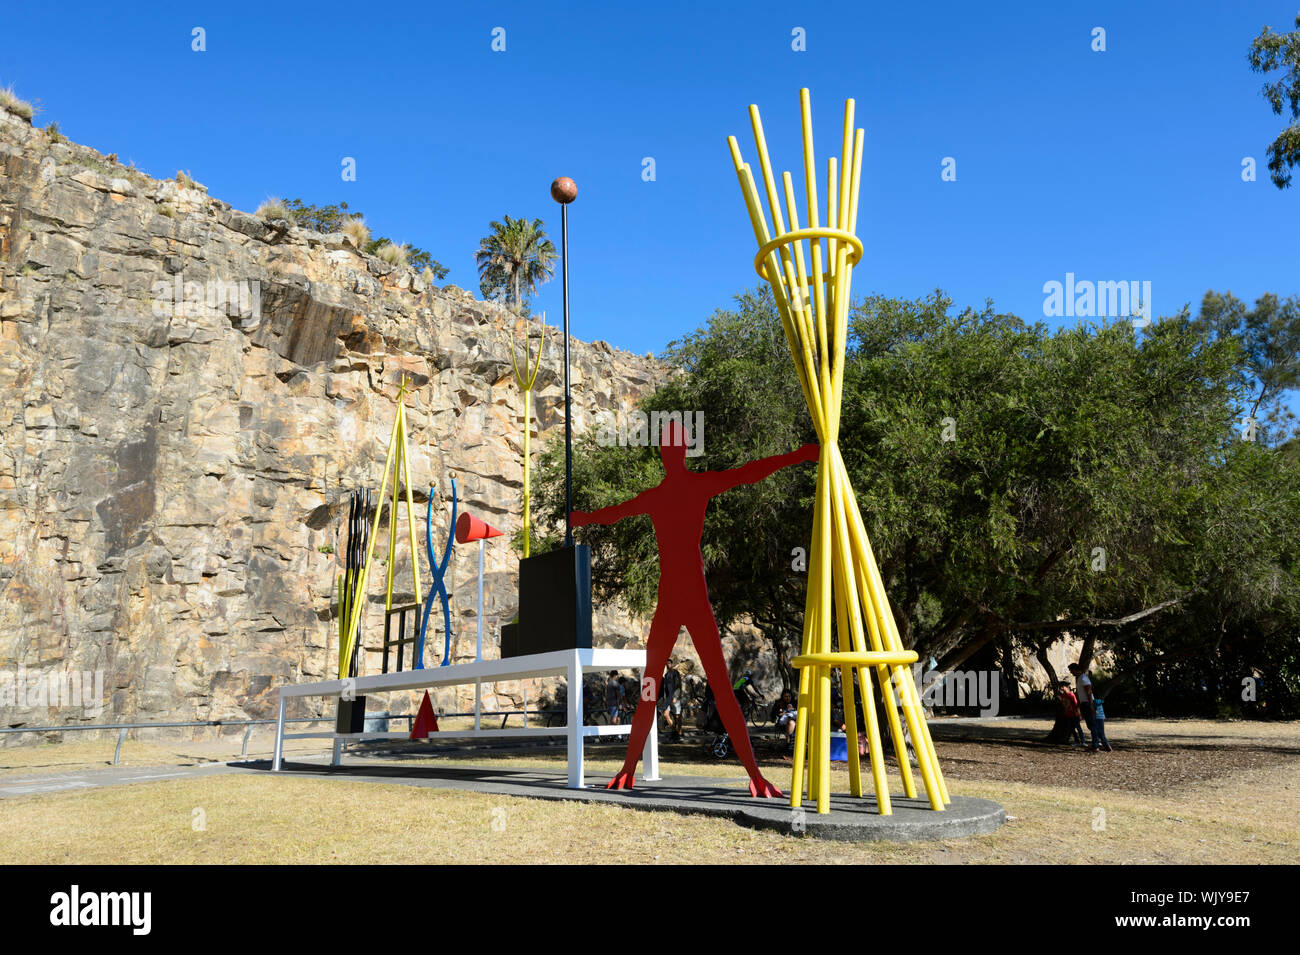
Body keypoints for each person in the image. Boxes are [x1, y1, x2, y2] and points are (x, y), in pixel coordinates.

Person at [571, 421, 818, 797]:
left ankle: (753, 774)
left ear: (680, 451)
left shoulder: (684, 489)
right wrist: (584, 518)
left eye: (674, 446)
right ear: (672, 452)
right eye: (669, 447)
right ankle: (628, 769)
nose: (671, 452)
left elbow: (749, 473)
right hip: (674, 600)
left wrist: (796, 456)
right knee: (652, 686)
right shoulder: (671, 492)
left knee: (694, 684)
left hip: (687, 598)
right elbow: (615, 512)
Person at [1068, 661, 1111, 752]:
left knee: (1092, 725)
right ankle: (1104, 745)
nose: (1071, 673)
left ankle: (1095, 746)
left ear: (1076, 670)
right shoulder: (1080, 678)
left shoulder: (1083, 679)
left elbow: (1088, 692)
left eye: (1071, 671)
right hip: (1085, 703)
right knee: (1092, 725)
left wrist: (1091, 705)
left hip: (1088, 703)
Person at [659, 659, 683, 741]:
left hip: (675, 697)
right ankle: (674, 731)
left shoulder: (675, 673)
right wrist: (664, 698)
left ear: (672, 664)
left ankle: (679, 734)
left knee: (677, 716)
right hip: (668, 698)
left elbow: (678, 685)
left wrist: (676, 696)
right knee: (666, 714)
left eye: (669, 663)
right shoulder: (666, 675)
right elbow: (665, 688)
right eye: (666, 664)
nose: (667, 665)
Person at [1057, 681, 1085, 747]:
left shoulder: (1071, 695)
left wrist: (1079, 714)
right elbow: (1064, 705)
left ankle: (1083, 742)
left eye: (1062, 687)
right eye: (1060, 687)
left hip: (1075, 715)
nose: (1061, 688)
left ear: (1067, 687)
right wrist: (1060, 699)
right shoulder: (1064, 695)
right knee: (1072, 729)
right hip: (1068, 714)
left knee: (1078, 728)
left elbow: (1076, 705)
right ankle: (1077, 741)